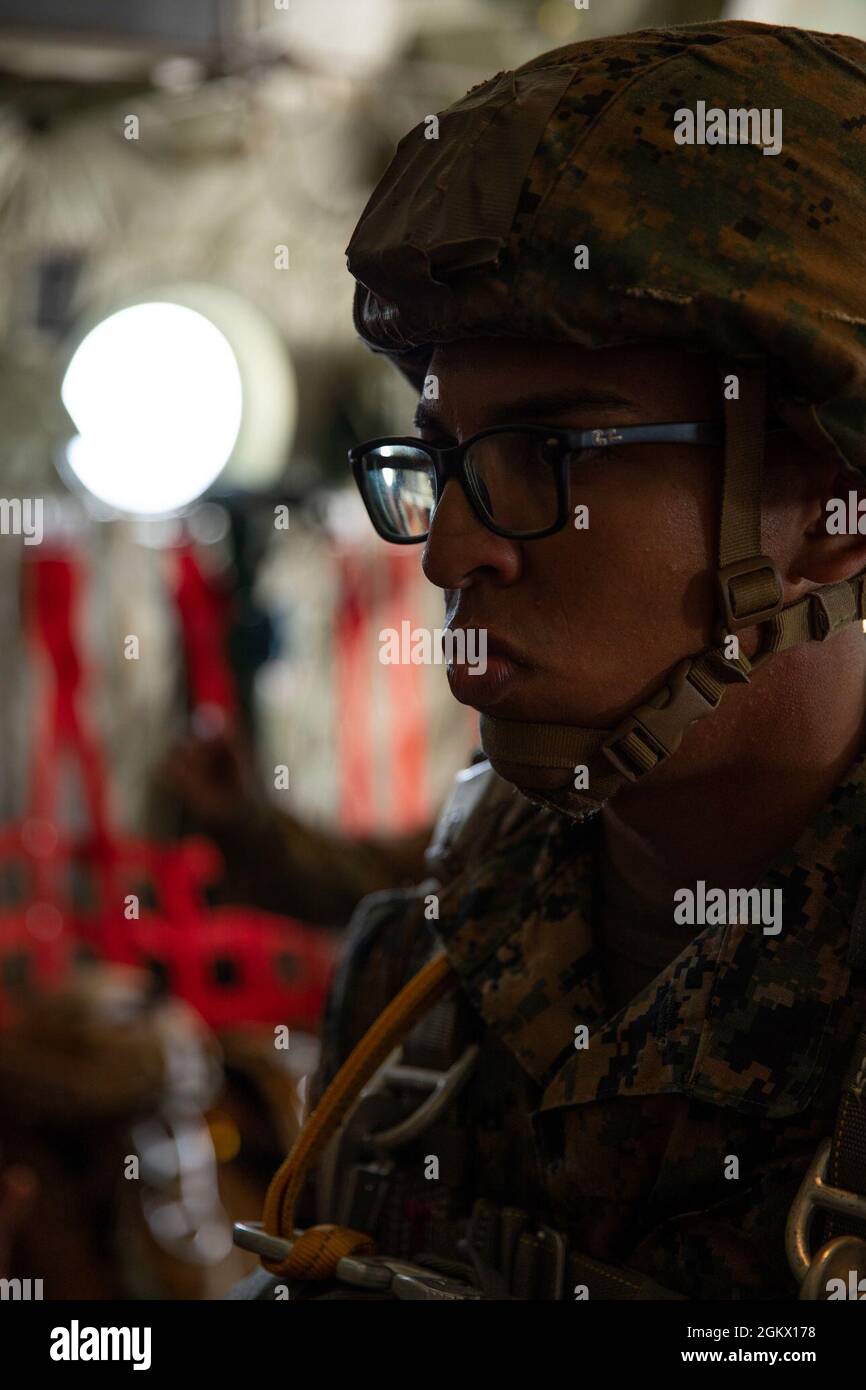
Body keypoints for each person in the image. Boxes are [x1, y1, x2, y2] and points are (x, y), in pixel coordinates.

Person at [232, 18, 866, 1301]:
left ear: (825, 504)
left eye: (551, 455)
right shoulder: (419, 976)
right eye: (446, 457)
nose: (451, 547)